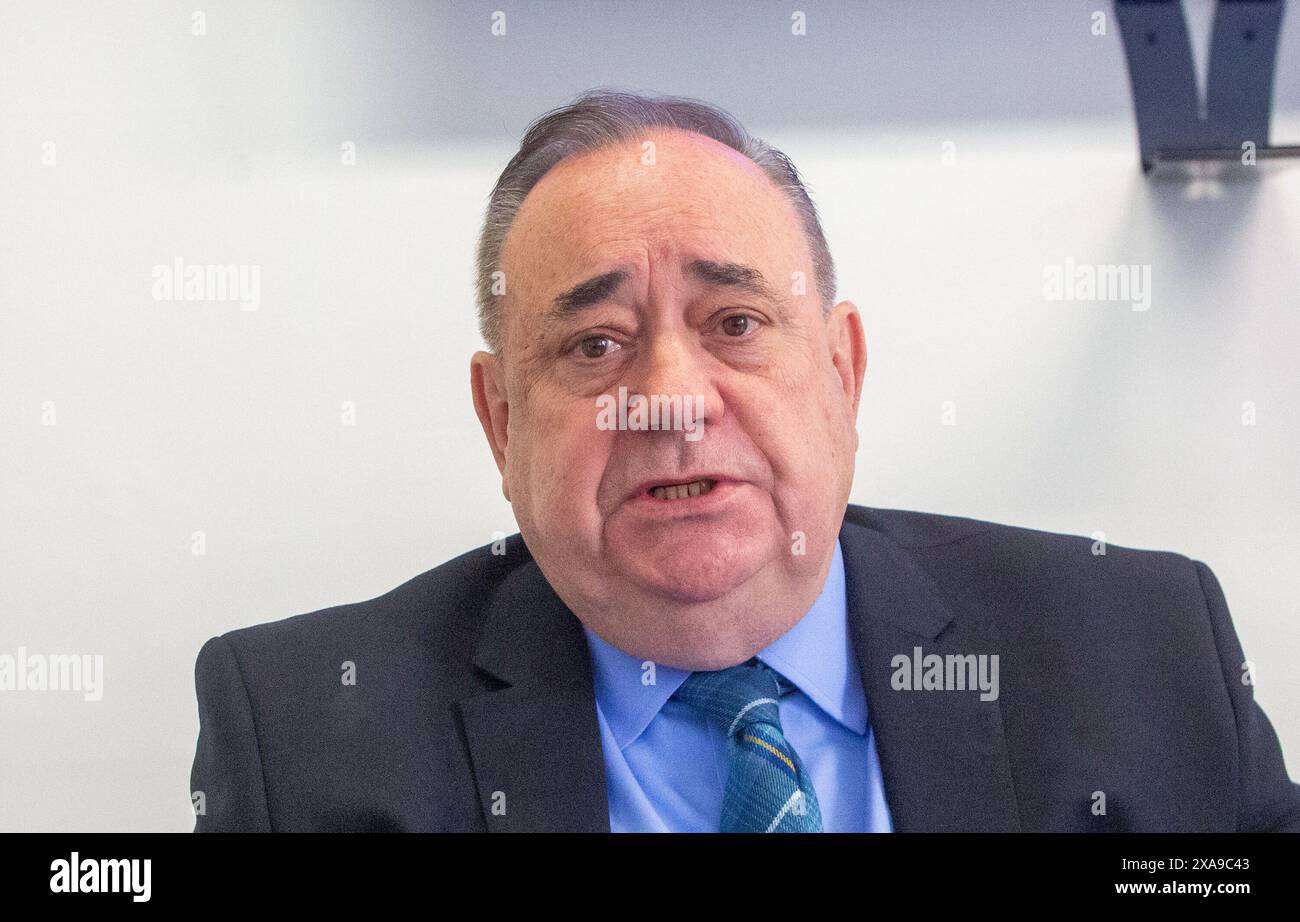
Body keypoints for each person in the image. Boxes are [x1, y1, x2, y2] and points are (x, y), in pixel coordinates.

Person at [190, 89, 1300, 832]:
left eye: (733, 322)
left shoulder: (1143, 654)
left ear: (841, 371)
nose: (669, 399)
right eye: (593, 344)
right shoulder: (308, 740)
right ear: (501, 421)